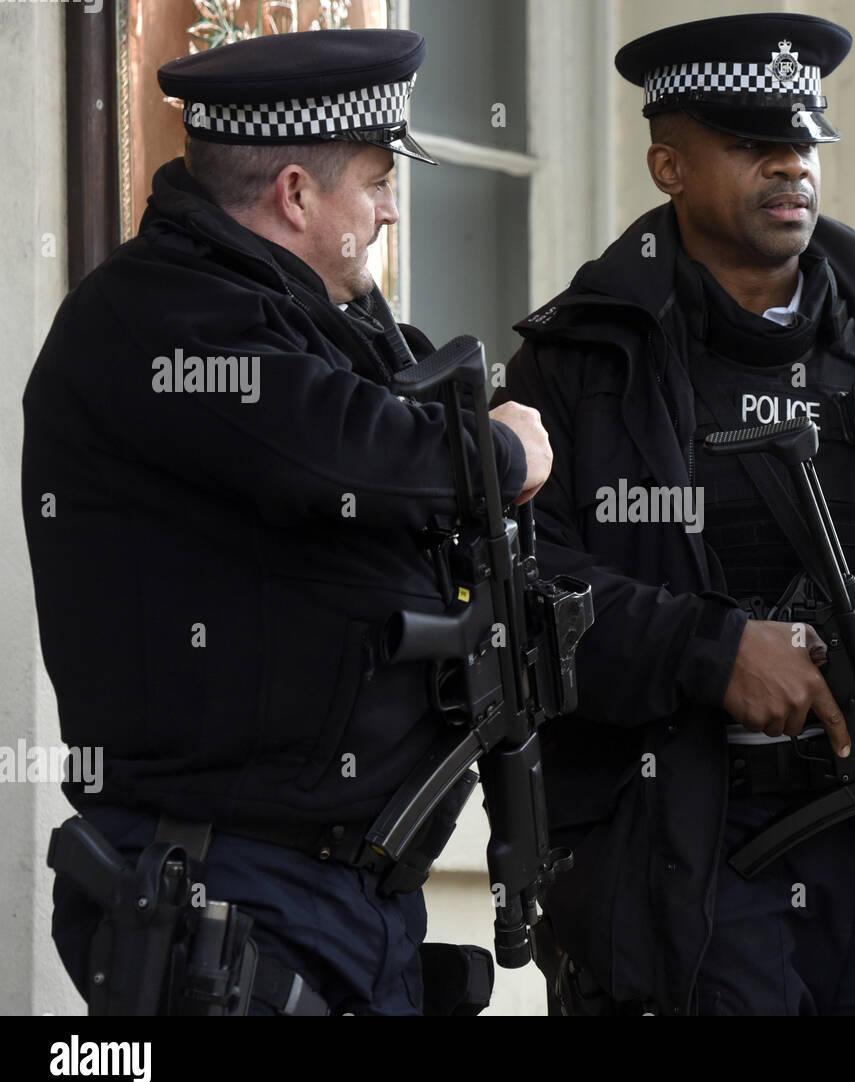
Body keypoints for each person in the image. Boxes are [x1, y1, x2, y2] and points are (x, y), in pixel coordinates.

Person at [501, 12, 855, 1016]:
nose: (789, 167)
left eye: (803, 142)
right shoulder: (581, 365)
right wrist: (708, 649)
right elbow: (518, 590)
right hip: (693, 865)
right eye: (749, 144)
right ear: (668, 165)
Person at [22, 27, 552, 1016]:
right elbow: (337, 451)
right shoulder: (159, 316)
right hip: (229, 898)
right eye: (377, 178)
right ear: (298, 193)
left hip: (334, 898)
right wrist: (509, 452)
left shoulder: (323, 324)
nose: (394, 205)